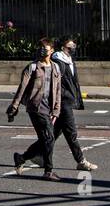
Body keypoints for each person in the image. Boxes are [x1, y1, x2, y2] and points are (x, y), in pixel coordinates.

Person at [16, 36, 98, 174]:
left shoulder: (68, 60)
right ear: (62, 47)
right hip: (61, 102)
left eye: (74, 45)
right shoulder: (59, 61)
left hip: (65, 102)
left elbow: (73, 83)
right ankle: (80, 161)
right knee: (71, 133)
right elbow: (54, 85)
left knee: (50, 136)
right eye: (70, 46)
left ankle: (23, 157)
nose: (73, 48)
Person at [7, 38, 62, 181]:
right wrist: (14, 106)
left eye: (46, 48)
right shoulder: (32, 67)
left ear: (52, 51)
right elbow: (22, 88)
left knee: (46, 139)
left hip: (49, 109)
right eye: (41, 48)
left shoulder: (56, 67)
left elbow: (57, 91)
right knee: (49, 138)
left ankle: (21, 158)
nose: (43, 50)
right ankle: (48, 171)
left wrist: (56, 111)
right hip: (36, 108)